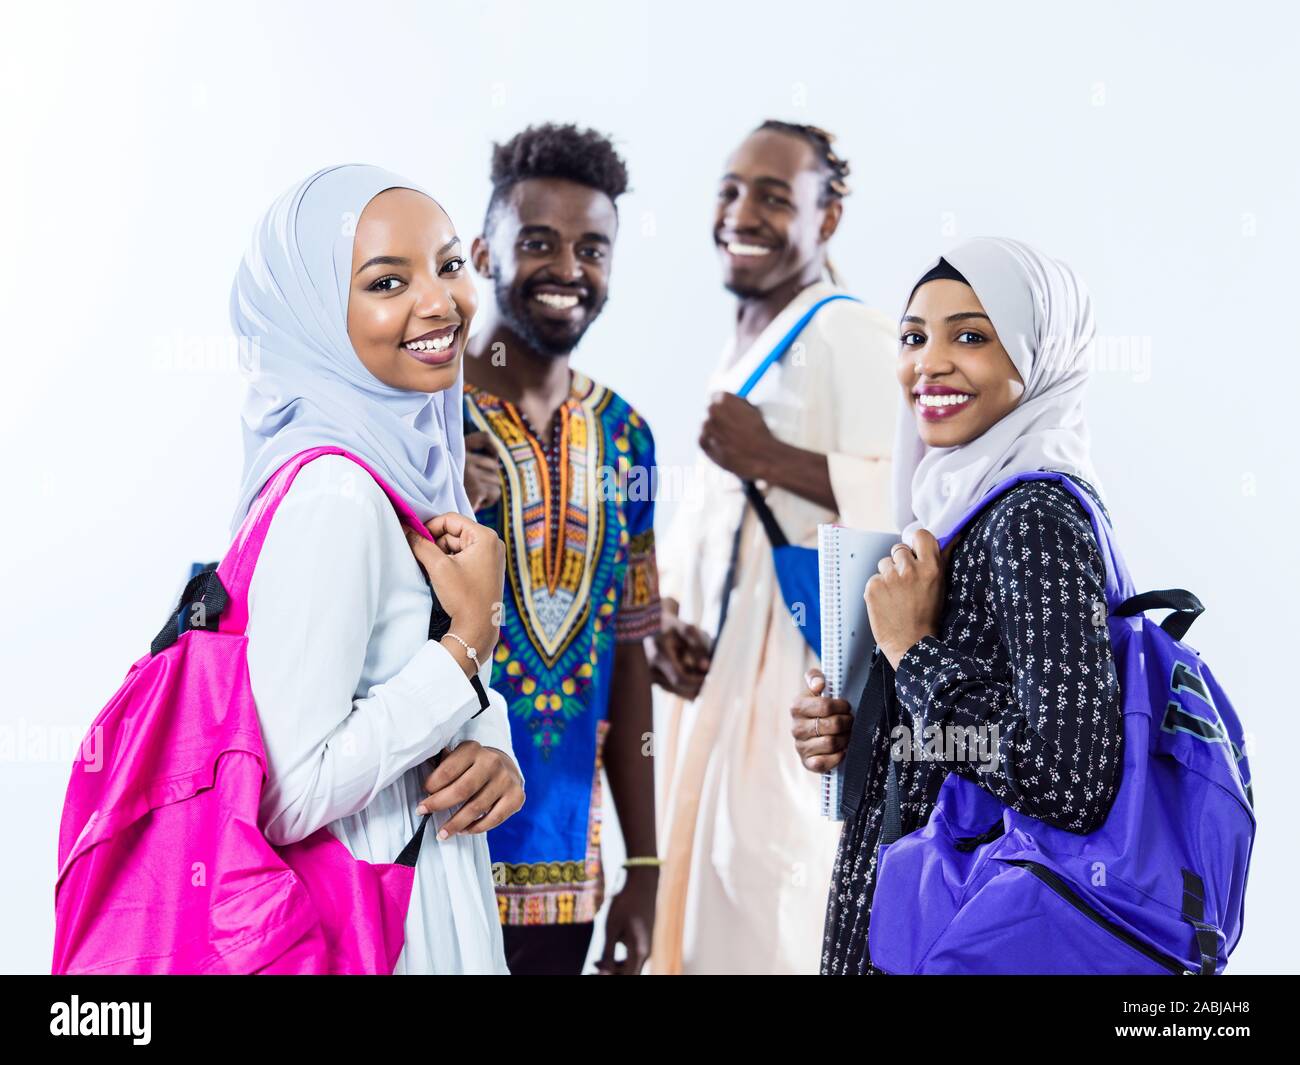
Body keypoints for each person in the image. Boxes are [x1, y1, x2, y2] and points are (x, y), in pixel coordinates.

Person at [790, 237, 1125, 974]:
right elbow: (965, 749)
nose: (928, 362)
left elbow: (1070, 777)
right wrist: (863, 735)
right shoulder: (958, 514)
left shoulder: (1032, 516)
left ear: (1039, 354)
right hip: (927, 933)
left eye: (970, 335)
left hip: (971, 939)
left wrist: (913, 652)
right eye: (913, 337)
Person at [231, 164, 525, 975]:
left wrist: (489, 744)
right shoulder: (336, 492)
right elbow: (287, 792)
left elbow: (388, 683)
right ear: (318, 314)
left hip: (413, 885)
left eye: (449, 265)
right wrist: (469, 640)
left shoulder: (401, 471)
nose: (439, 302)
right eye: (387, 281)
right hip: (370, 923)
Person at [648, 121, 898, 975]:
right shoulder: (747, 346)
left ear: (825, 222)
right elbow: (707, 533)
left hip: (798, 713)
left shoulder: (848, 334)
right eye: (729, 189)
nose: (740, 212)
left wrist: (771, 457)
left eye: (773, 196)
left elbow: (909, 509)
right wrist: (664, 624)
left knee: (769, 929)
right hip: (713, 699)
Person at [461, 124, 661, 975]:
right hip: (421, 856)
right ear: (480, 251)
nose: (569, 271)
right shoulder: (418, 417)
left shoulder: (626, 438)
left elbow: (631, 648)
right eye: (538, 242)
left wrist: (645, 868)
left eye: (593, 248)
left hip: (562, 879)